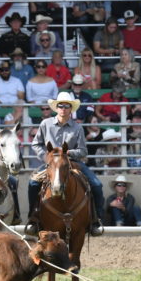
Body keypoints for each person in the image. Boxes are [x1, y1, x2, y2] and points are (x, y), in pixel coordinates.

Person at [27, 91, 106, 236]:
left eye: (67, 106)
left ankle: (96, 220)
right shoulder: (46, 124)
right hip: (51, 164)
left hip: (72, 164)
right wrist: (46, 158)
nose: (63, 109)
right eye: (61, 106)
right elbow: (36, 144)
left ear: (71, 109)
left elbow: (83, 150)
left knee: (96, 185)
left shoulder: (77, 128)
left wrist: (70, 153)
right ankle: (33, 217)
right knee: (32, 183)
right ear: (56, 108)